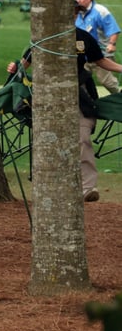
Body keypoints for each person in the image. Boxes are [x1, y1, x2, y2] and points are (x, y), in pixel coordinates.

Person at [7, 23, 122, 203]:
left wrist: (120, 68)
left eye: (76, 10)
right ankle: (52, 184)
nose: (73, 13)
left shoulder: (83, 36)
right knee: (50, 138)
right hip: (49, 93)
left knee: (82, 137)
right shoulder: (46, 35)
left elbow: (100, 60)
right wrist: (16, 69)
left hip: (81, 94)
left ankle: (88, 188)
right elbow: (26, 61)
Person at [74, 0, 120, 95]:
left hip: (101, 53)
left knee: (107, 81)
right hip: (83, 54)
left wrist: (112, 44)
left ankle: (118, 96)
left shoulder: (100, 11)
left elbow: (113, 29)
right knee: (83, 80)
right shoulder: (77, 12)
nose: (78, 1)